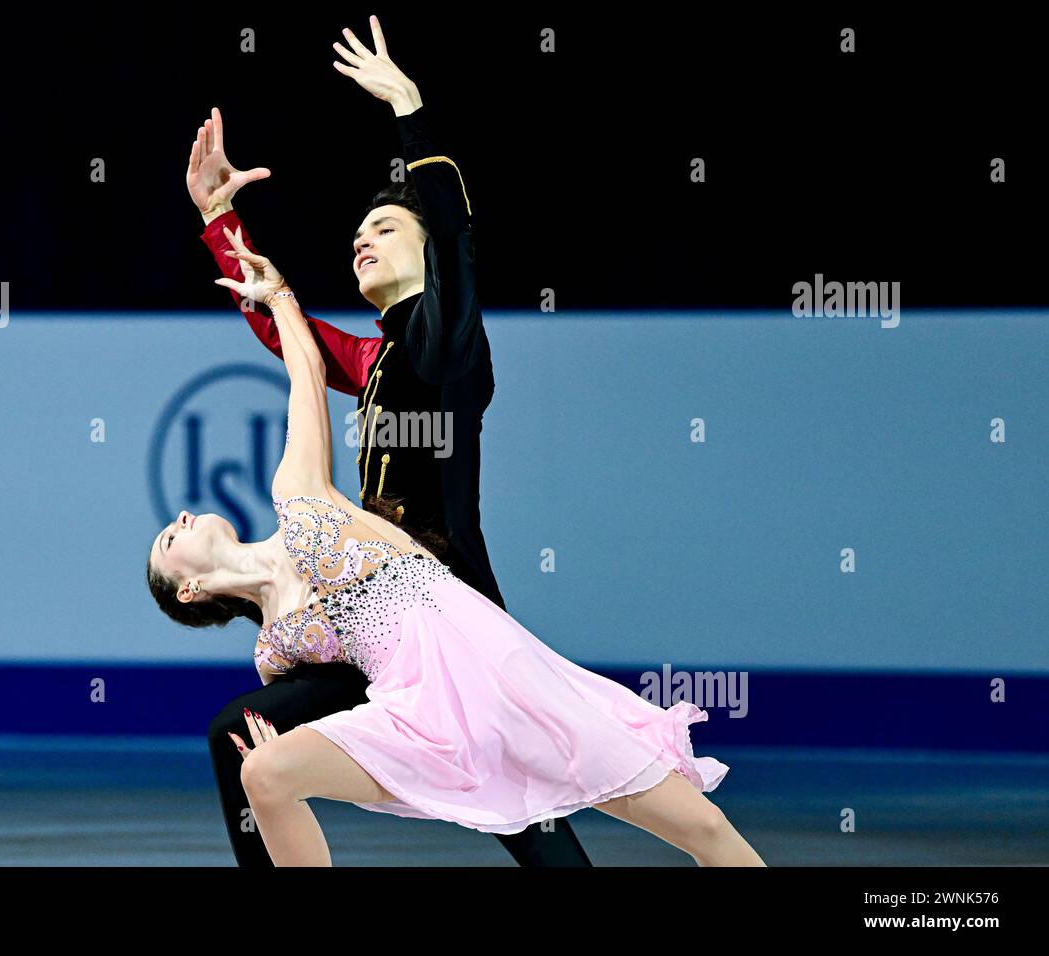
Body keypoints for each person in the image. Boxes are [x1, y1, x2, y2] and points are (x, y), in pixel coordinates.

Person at [146, 220, 766, 867]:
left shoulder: (297, 494)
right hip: (415, 703)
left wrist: (273, 294)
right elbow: (310, 701)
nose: (183, 515)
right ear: (188, 590)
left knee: (703, 828)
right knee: (265, 773)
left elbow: (305, 372)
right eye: (168, 537)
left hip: (486, 657)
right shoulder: (274, 648)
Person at [183, 16, 592, 865]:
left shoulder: (450, 348)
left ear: (429, 258)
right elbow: (286, 331)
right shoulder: (379, 357)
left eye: (386, 229)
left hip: (452, 610)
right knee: (241, 732)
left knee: (520, 805)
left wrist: (411, 112)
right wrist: (223, 220)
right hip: (377, 615)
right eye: (359, 231)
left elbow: (452, 237)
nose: (362, 237)